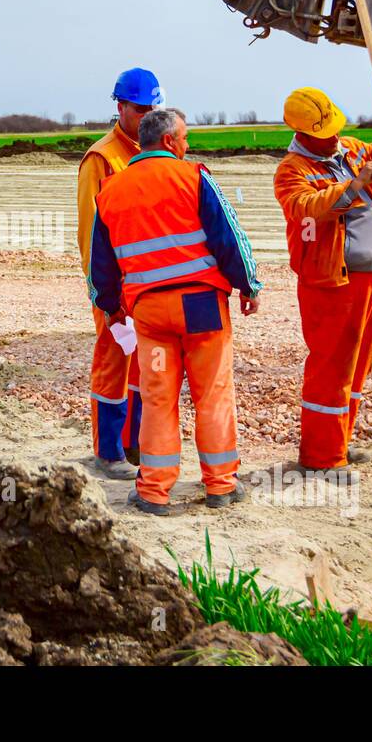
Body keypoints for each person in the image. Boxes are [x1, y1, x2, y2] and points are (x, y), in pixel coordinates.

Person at [88, 107, 263, 515]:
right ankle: (220, 485)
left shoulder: (110, 190)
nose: (187, 145)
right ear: (168, 141)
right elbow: (228, 236)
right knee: (213, 395)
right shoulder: (194, 176)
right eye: (184, 138)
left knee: (158, 399)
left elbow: (102, 265)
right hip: (202, 307)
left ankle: (153, 491)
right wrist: (248, 284)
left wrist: (112, 308)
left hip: (149, 312)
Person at [272, 87, 372, 472]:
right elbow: (305, 209)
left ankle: (340, 440)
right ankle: (322, 457)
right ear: (303, 134)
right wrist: (353, 185)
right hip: (332, 282)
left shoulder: (349, 150)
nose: (334, 139)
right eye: (325, 134)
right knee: (332, 366)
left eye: (336, 130)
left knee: (357, 365)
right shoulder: (293, 170)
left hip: (368, 277)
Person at [77, 67, 163, 479]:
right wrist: (104, 294)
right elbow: (91, 233)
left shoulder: (155, 152)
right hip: (115, 284)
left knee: (144, 364)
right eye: (139, 108)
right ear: (120, 106)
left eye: (152, 109)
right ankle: (107, 452)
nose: (147, 115)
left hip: (147, 281)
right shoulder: (102, 158)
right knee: (114, 361)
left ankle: (133, 444)